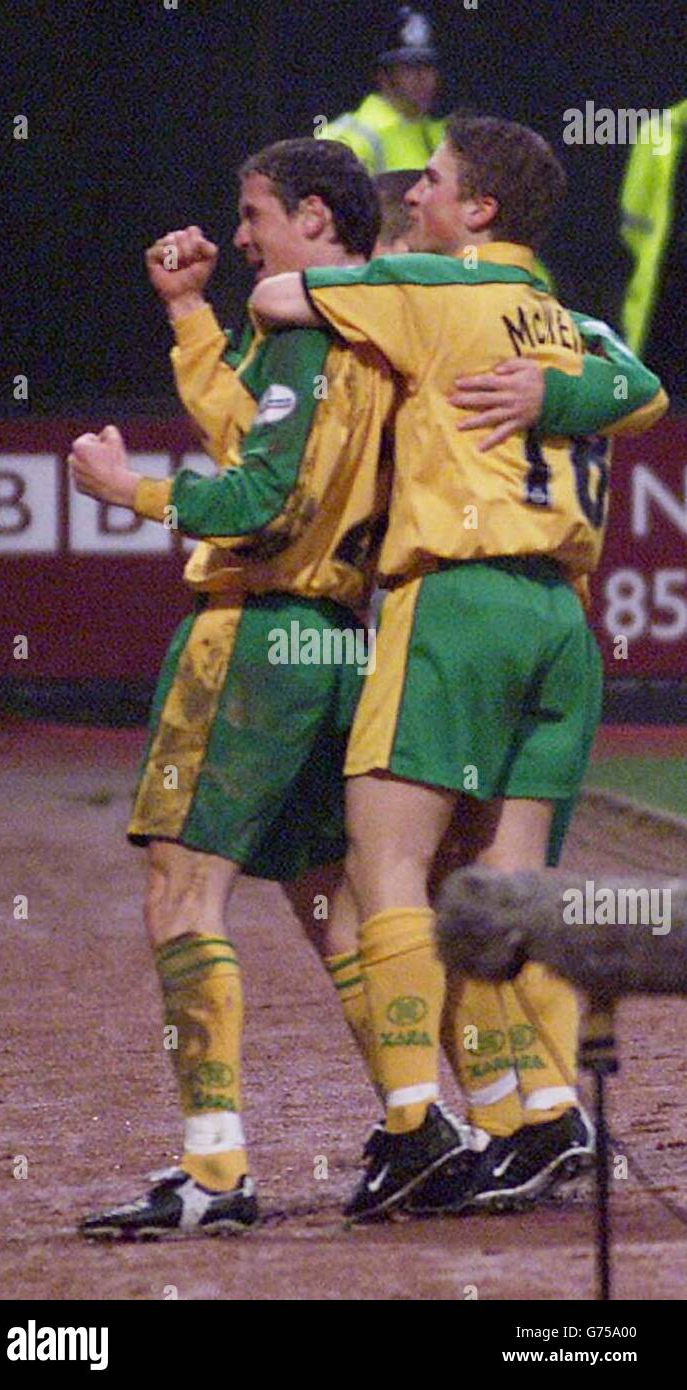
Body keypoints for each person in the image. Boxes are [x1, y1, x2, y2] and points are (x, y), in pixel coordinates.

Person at [71, 137, 665, 1235]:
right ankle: (512, 1106)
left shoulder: (378, 306)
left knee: (209, 889)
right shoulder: (526, 329)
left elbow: (262, 484)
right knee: (378, 892)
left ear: (317, 219)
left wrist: (132, 491)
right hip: (413, 626)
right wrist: (196, 314)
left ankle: (239, 1165)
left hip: (285, 624)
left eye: (255, 213)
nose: (243, 237)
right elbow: (636, 384)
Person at [251, 113, 669, 1221]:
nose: (418, 192)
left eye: (432, 180)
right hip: (562, 624)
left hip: (459, 599)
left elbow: (279, 300)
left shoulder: (436, 284)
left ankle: (414, 1126)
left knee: (383, 865)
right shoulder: (574, 321)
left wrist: (352, 278)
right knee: (503, 886)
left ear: (477, 209)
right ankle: (541, 1109)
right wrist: (556, 393)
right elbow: (647, 393)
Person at [318, 7, 443, 176]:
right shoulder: (346, 137)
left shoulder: (441, 136)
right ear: (383, 76)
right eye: (409, 67)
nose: (421, 77)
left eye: (427, 66)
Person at [620, 97, 687, 398]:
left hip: (662, 287)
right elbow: (634, 222)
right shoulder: (659, 132)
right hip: (663, 300)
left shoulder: (659, 131)